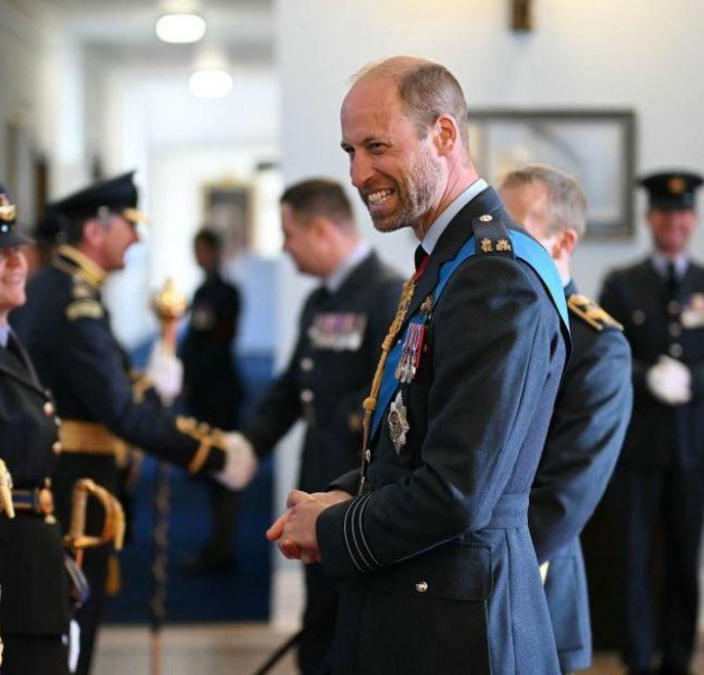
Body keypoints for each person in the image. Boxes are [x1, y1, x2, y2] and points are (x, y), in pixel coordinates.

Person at [267, 56, 571, 675]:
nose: (358, 174)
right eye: (350, 151)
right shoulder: (449, 260)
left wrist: (333, 528)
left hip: (459, 624)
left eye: (377, 147)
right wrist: (343, 493)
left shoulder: (492, 273)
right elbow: (415, 436)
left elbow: (459, 492)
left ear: (445, 135)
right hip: (421, 602)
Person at [11, 171, 256, 675]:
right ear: (95, 231)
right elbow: (120, 410)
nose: (137, 238)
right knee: (70, 634)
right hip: (74, 486)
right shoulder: (73, 302)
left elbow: (116, 384)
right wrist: (213, 455)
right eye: (130, 226)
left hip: (72, 479)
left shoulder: (67, 290)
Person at [241, 178, 402, 674]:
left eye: (289, 235)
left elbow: (390, 404)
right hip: (317, 479)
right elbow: (295, 386)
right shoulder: (321, 301)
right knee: (318, 620)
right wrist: (247, 445)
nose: (285, 248)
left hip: (359, 491)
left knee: (349, 629)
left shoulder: (388, 294)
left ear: (320, 230)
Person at [599, 170, 704, 675]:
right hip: (638, 446)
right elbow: (606, 357)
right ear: (650, 219)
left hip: (694, 445)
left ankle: (679, 659)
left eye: (682, 214)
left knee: (685, 557)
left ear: (694, 220)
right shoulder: (622, 285)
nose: (674, 223)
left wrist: (695, 378)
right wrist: (647, 377)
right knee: (635, 555)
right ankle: (639, 659)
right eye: (665, 214)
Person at [500, 164, 633, 673]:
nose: (499, 245)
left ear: (563, 241)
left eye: (517, 231)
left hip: (531, 578)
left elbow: (565, 498)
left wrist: (479, 563)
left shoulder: (597, 344)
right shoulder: (488, 324)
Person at [0, 183, 73, 675]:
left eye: (17, 249)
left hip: (32, 562)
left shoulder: (6, 341)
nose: (17, 261)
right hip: (6, 574)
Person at [178, 227, 246, 571]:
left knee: (223, 470)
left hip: (219, 393)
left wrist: (192, 379)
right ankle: (218, 543)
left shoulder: (226, 293)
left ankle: (223, 546)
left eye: (202, 250)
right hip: (204, 392)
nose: (198, 257)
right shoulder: (203, 291)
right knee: (210, 472)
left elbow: (216, 345)